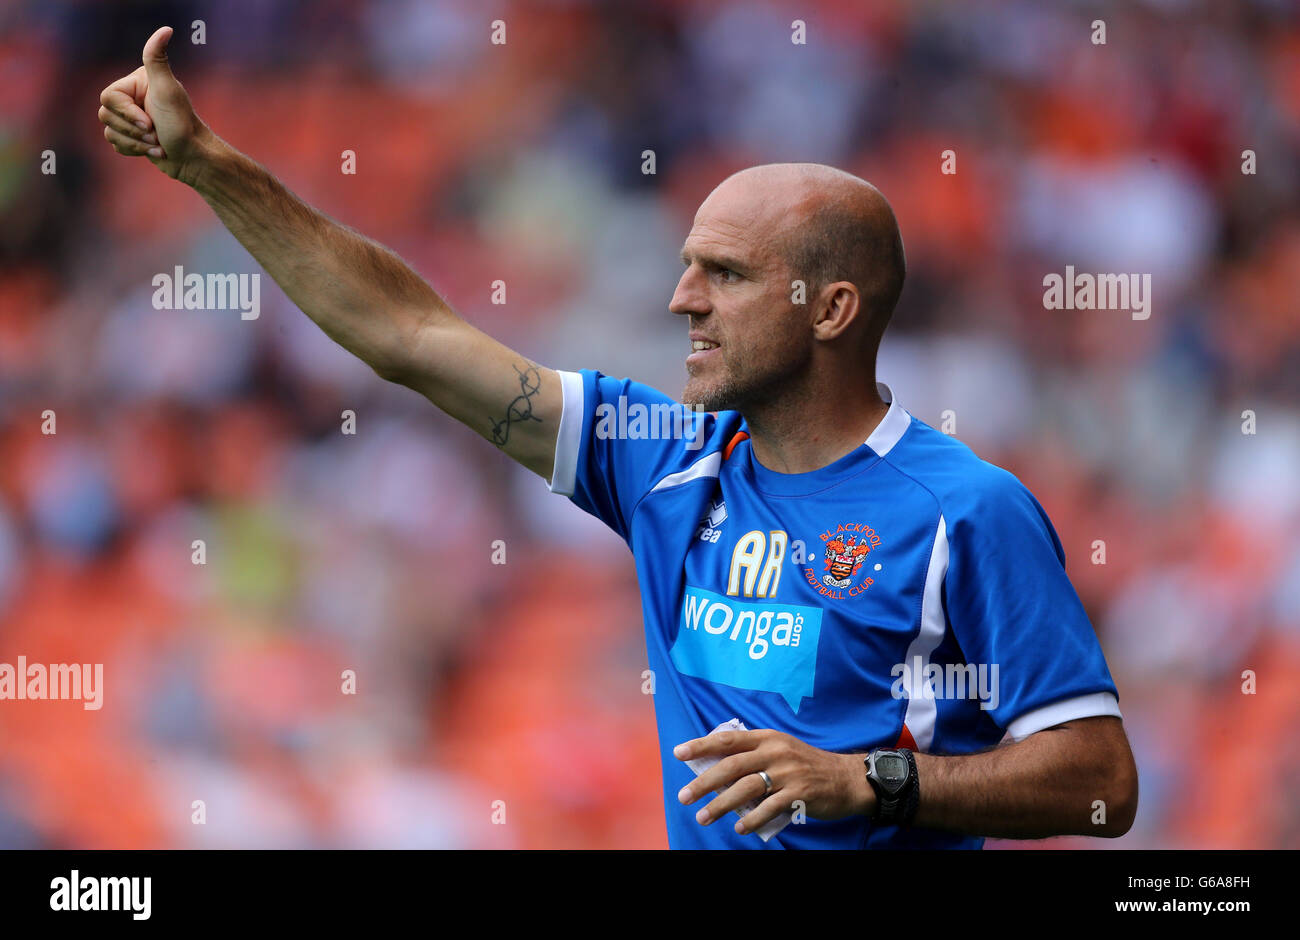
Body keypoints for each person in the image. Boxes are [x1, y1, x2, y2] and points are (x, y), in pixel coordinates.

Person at [98, 26, 1139, 849]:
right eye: (688, 264)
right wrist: (209, 167)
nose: (683, 298)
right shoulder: (660, 455)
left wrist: (868, 780)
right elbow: (407, 331)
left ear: (828, 311)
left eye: (724, 274)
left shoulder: (967, 511)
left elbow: (1102, 785)